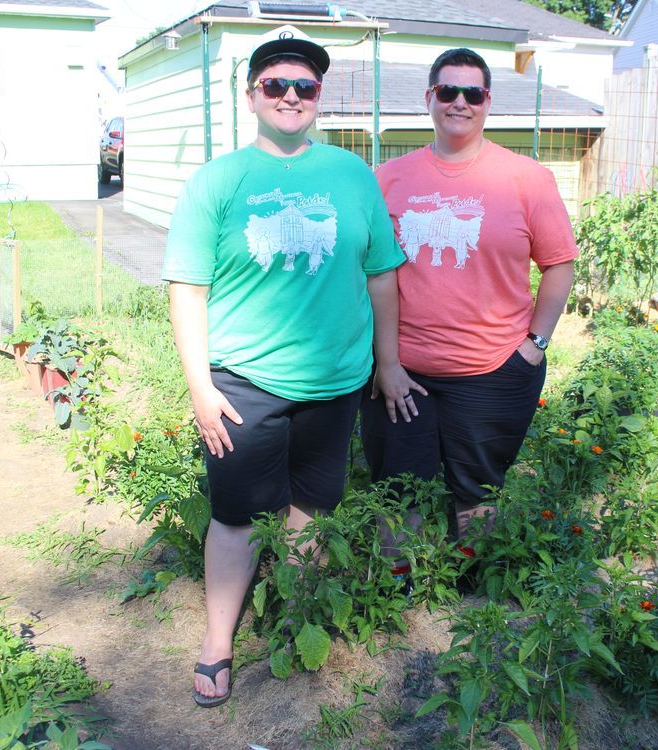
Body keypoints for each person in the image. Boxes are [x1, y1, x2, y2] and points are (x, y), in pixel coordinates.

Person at [163, 26, 411, 708]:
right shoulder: (220, 180)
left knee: (311, 506)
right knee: (237, 516)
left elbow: (382, 275)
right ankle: (218, 645)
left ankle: (296, 618)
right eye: (277, 84)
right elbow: (188, 287)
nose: (292, 96)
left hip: (335, 384)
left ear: (319, 98)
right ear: (253, 96)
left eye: (305, 86)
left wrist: (386, 364)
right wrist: (200, 388)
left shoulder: (352, 175)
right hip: (244, 386)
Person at [361, 47, 577, 555]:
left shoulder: (526, 179)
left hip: (494, 367)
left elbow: (559, 264)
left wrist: (535, 345)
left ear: (487, 102)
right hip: (401, 371)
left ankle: (473, 594)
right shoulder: (388, 180)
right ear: (429, 98)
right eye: (448, 91)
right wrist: (383, 360)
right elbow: (372, 271)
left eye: (472, 93)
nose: (460, 102)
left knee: (477, 490)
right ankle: (396, 592)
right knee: (398, 493)